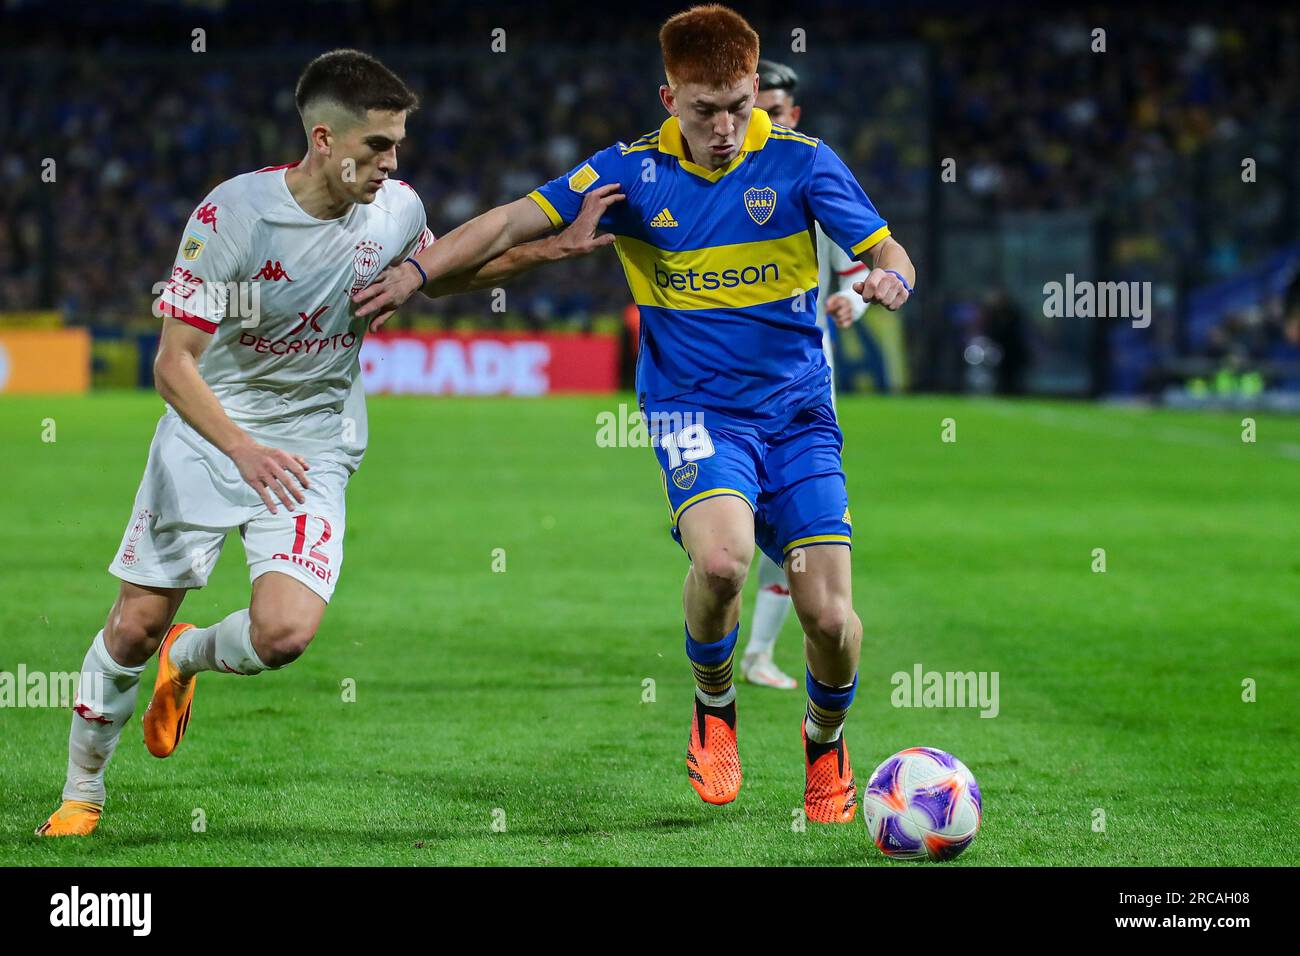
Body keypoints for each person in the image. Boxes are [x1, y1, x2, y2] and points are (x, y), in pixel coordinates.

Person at [355, 4, 914, 823]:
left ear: (755, 92)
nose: (724, 128)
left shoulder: (804, 164)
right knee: (721, 564)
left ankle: (824, 741)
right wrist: (414, 273)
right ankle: (714, 707)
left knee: (829, 618)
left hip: (798, 415)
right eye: (704, 110)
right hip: (694, 411)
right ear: (668, 98)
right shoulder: (630, 173)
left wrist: (891, 277)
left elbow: (887, 250)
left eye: (738, 107)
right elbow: (508, 221)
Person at [38, 48, 615, 836]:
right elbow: (173, 366)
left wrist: (547, 249)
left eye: (398, 145)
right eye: (376, 146)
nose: (391, 163)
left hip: (315, 445)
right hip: (212, 435)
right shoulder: (234, 217)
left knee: (284, 635)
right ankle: (82, 795)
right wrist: (241, 449)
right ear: (323, 140)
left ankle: (188, 656)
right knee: (134, 623)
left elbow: (439, 274)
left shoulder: (396, 211)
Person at [738, 58, 878, 691]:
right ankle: (739, 654)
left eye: (774, 110)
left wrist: (855, 300)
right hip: (725, 386)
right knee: (736, 537)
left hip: (804, 381)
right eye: (753, 108)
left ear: (793, 114)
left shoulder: (811, 177)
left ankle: (758, 652)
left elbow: (859, 265)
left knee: (794, 526)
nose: (762, 120)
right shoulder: (715, 180)